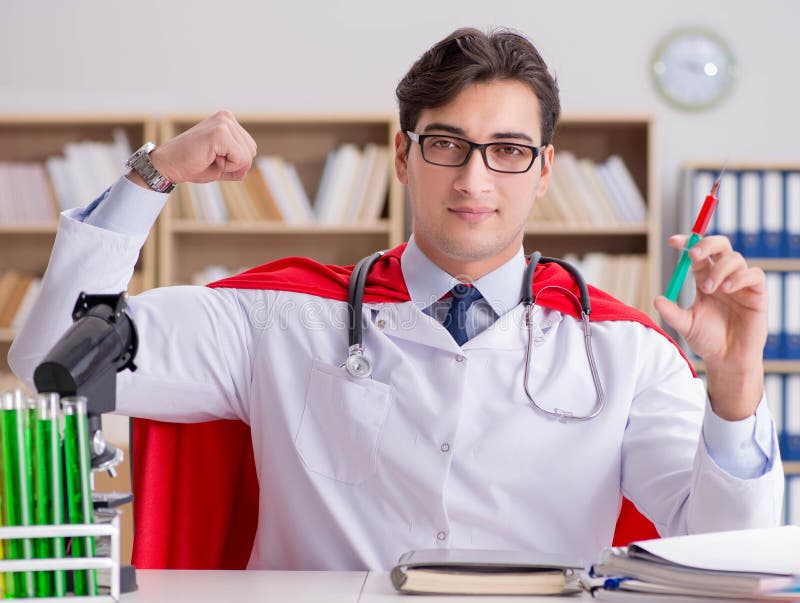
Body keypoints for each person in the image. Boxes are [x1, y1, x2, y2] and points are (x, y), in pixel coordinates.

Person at [9, 27, 782, 570]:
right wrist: (153, 175)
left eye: (507, 151)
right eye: (446, 145)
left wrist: (737, 384)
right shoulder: (273, 316)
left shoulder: (624, 348)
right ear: (403, 158)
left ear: (544, 170)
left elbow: (721, 548)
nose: (474, 180)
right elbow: (50, 357)